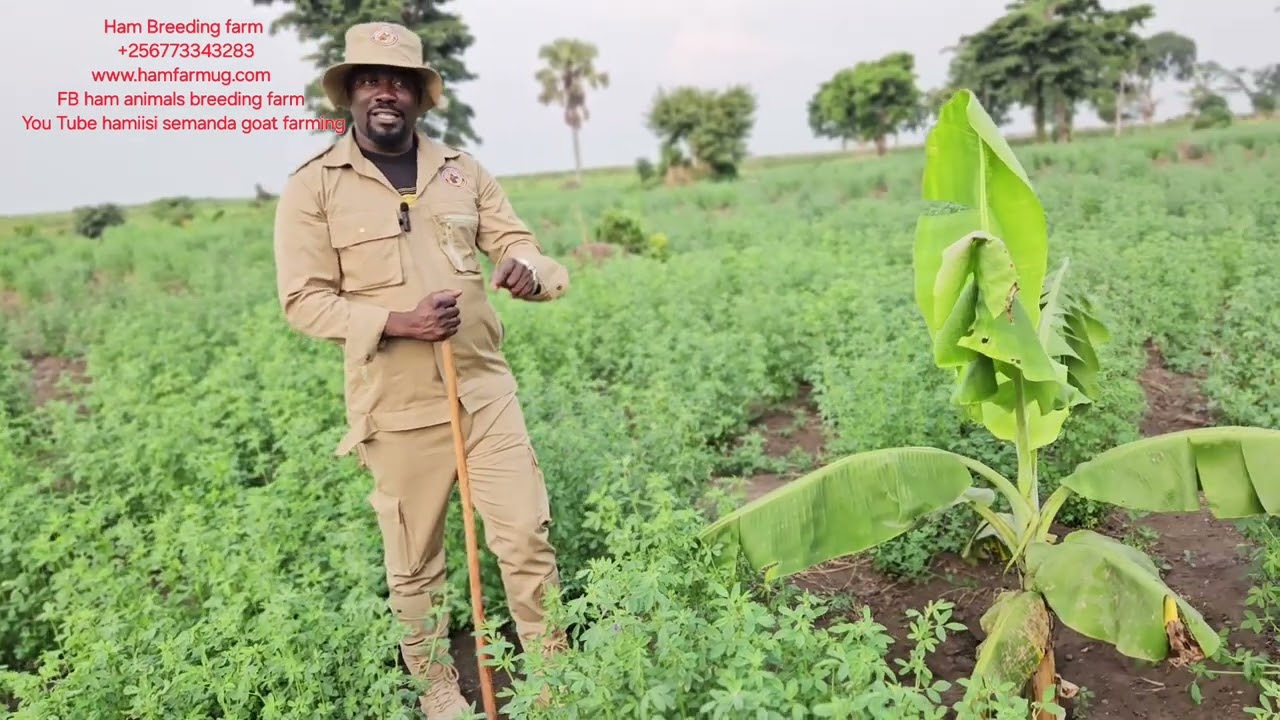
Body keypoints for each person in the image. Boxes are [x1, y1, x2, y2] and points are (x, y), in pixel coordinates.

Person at [271, 20, 569, 719]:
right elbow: (303, 301)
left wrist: (529, 272)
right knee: (415, 563)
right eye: (371, 79)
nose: (386, 92)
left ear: (420, 97)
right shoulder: (313, 187)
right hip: (397, 406)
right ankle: (439, 688)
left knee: (525, 535)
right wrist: (397, 323)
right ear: (349, 94)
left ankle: (558, 680)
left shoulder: (463, 172)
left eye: (400, 81)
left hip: (484, 389)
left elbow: (522, 244)